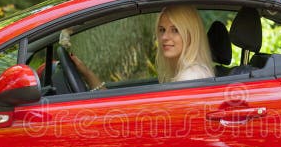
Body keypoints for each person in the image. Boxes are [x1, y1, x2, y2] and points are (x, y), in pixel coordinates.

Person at [71, 5, 214, 90]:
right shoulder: (187, 73)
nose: (164, 37)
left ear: (191, 35)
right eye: (162, 30)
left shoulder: (191, 77)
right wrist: (87, 73)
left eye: (175, 30)